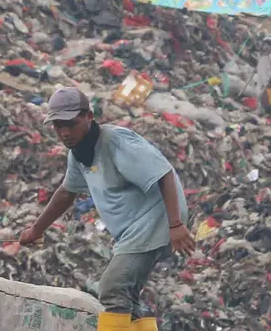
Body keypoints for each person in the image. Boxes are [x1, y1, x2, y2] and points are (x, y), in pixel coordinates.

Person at [20, 88, 194, 331]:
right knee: (128, 299)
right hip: (133, 232)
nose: (64, 132)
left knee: (112, 287)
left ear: (89, 117)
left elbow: (163, 173)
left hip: (156, 220)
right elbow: (66, 192)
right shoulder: (78, 154)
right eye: (58, 126)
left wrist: (176, 225)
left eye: (71, 124)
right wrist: (35, 230)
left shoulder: (116, 143)